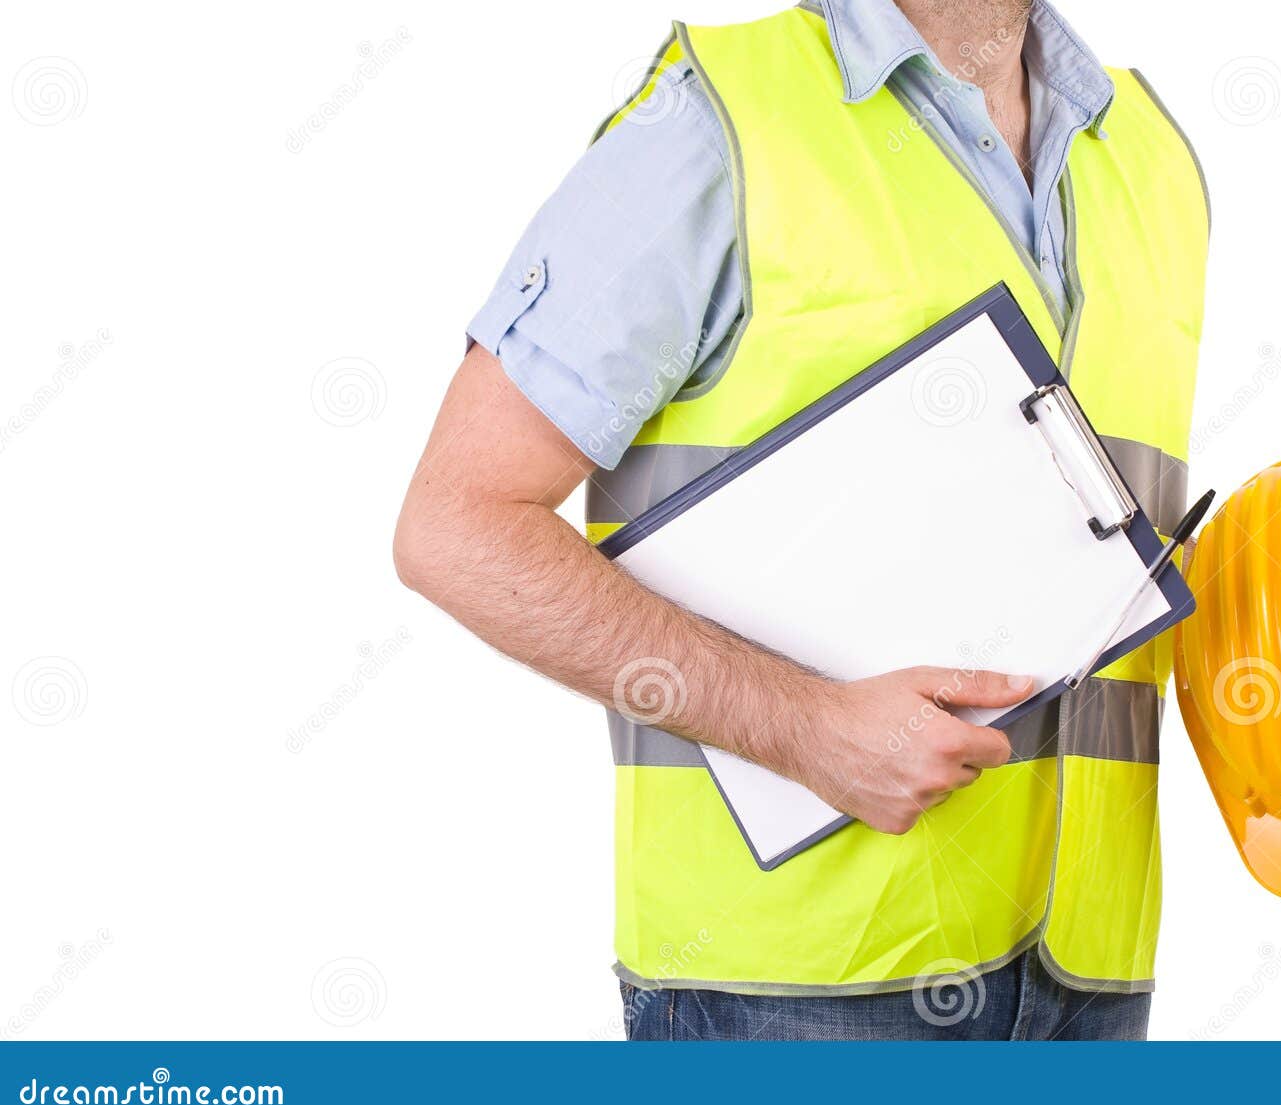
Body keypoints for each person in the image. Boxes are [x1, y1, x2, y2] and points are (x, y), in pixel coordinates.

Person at [395, 0, 1208, 1040]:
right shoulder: (714, 125)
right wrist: (804, 726)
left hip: (1088, 975)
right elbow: (456, 523)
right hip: (792, 990)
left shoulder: (1148, 155)